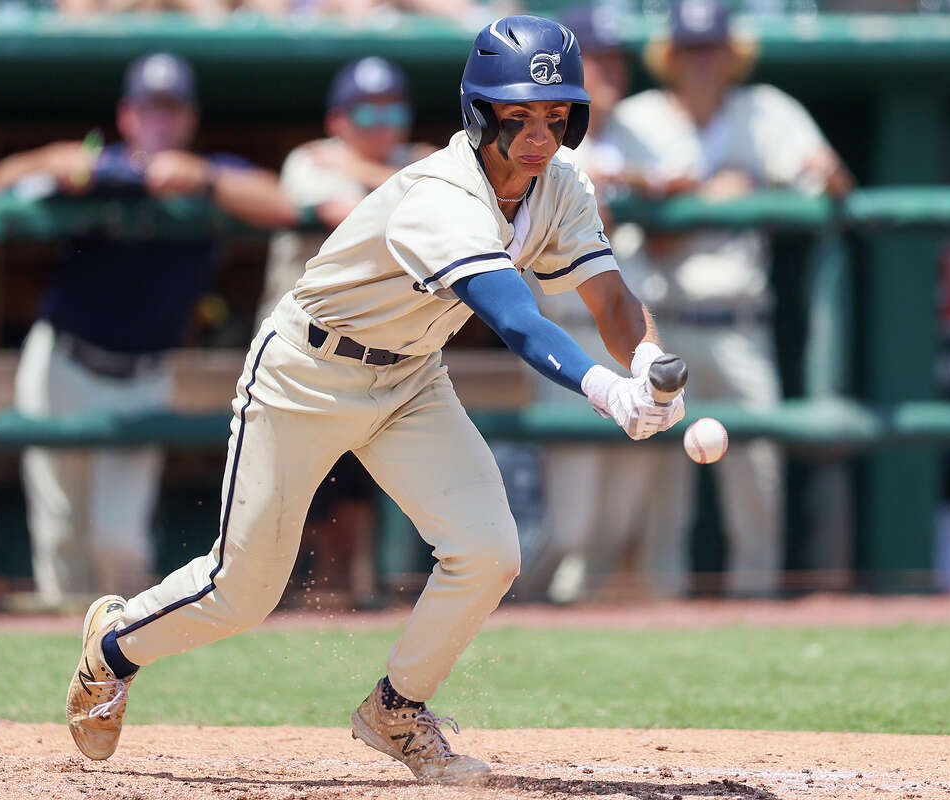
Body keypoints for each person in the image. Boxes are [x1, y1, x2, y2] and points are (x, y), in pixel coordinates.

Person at [64, 15, 685, 787]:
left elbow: (611, 298)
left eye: (555, 117)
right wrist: (606, 389)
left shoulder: (561, 186)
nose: (538, 136)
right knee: (243, 590)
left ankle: (397, 707)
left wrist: (652, 365)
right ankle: (113, 648)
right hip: (306, 372)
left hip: (409, 376)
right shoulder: (440, 197)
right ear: (480, 113)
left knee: (489, 552)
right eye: (519, 116)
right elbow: (515, 318)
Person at [0, 53, 294, 609]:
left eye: (172, 109)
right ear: (127, 114)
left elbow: (284, 205)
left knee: (119, 541)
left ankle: (118, 660)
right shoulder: (97, 165)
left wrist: (207, 178)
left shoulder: (209, 171)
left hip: (143, 375)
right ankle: (61, 671)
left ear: (189, 117)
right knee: (61, 535)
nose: (160, 121)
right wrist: (52, 161)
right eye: (150, 108)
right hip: (63, 364)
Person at [608, 0, 854, 596]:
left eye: (712, 47)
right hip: (666, 325)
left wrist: (818, 172)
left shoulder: (765, 110)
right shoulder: (639, 119)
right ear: (669, 55)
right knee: (664, 494)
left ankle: (757, 608)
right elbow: (646, 233)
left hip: (742, 323)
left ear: (731, 52)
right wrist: (720, 195)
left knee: (758, 483)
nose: (702, 61)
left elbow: (838, 188)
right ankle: (665, 615)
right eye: (690, 48)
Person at [517, 4, 688, 603]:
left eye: (617, 57)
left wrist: (659, 181)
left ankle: (572, 628)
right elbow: (587, 193)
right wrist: (645, 181)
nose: (611, 69)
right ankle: (513, 612)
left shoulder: (642, 130)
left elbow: (683, 181)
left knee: (617, 523)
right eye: (597, 58)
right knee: (572, 526)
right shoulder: (548, 138)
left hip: (634, 333)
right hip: (568, 335)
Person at [259, 56, 433, 609]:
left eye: (392, 110)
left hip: (376, 359)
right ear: (338, 119)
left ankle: (340, 612)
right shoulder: (307, 162)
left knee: (355, 501)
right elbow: (362, 215)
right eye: (365, 110)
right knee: (288, 504)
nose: (381, 123)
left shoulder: (412, 164)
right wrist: (417, 176)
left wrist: (412, 173)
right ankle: (282, 611)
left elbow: (433, 201)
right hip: (298, 358)